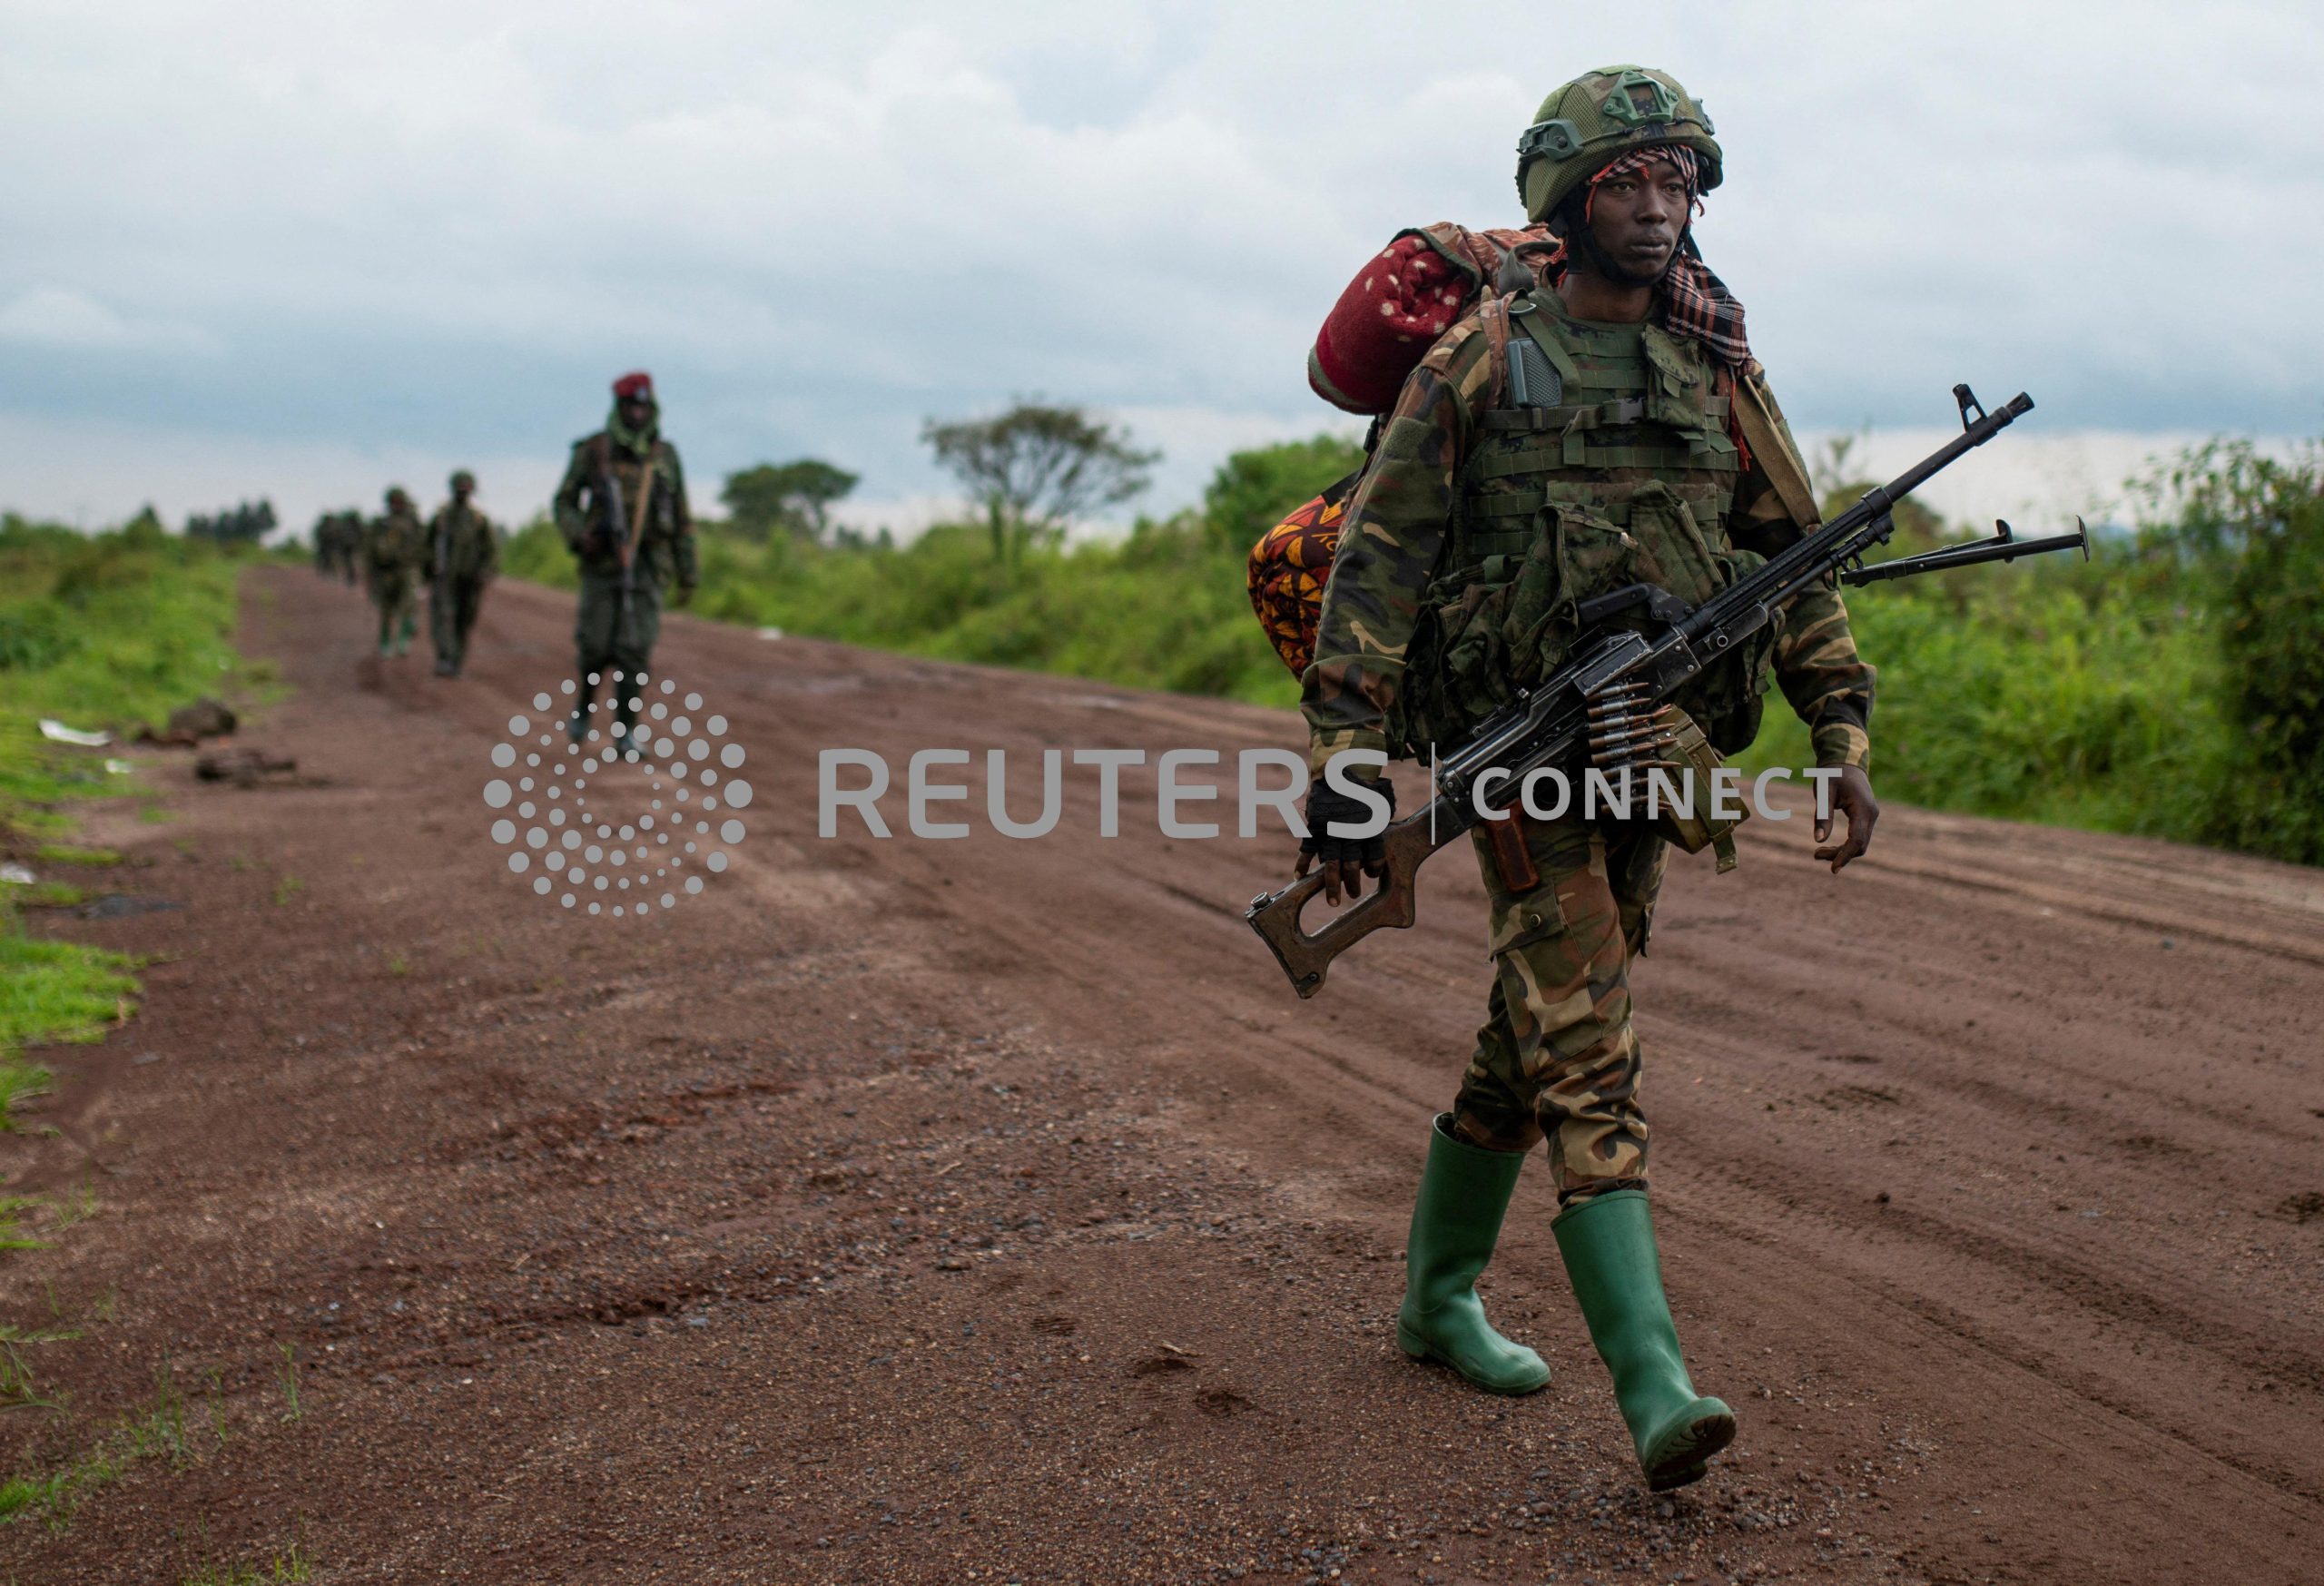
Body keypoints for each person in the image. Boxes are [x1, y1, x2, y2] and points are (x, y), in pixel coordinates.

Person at [1295, 65, 1879, 1492]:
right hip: (1520, 757)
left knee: (1533, 1027)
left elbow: (1789, 563)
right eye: (1630, 179)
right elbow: (1378, 567)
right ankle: (1657, 1383)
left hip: (1650, 752)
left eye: (1681, 179)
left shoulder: (1712, 369)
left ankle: (1436, 1301)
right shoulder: (1484, 361)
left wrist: (1843, 725)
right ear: (1570, 193)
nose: (1660, 204)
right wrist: (1345, 764)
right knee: (1590, 1045)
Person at [552, 371, 697, 746]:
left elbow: (681, 516)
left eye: (643, 406)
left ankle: (626, 731)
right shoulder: (595, 451)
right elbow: (564, 501)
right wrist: (578, 536)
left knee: (635, 650)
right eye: (631, 406)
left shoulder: (664, 456)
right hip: (601, 565)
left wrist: (688, 573)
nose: (637, 414)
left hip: (649, 565)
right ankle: (583, 708)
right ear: (619, 407)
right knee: (596, 647)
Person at [426, 469, 498, 677]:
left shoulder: (478, 520)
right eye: (460, 489)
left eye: (466, 490)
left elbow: (491, 550)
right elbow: (427, 545)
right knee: (442, 618)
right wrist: (428, 569)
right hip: (444, 577)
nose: (463, 493)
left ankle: (456, 661)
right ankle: (445, 659)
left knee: (464, 621)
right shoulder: (441, 518)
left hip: (470, 579)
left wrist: (486, 571)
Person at [363, 487, 427, 658]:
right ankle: (385, 641)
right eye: (393, 502)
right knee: (386, 610)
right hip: (386, 572)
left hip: (407, 570)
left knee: (408, 606)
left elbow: (423, 546)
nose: (396, 505)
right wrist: (371, 571)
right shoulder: (381, 524)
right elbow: (370, 549)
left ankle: (403, 639)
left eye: (399, 501)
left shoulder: (414, 523)